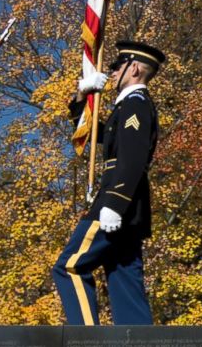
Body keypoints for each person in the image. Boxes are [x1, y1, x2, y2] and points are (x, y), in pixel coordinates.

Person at [52, 40, 165, 325]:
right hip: (129, 206)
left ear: (135, 68)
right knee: (125, 279)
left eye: (117, 66)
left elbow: (133, 157)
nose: (112, 72)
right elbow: (90, 136)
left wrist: (114, 202)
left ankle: (86, 341)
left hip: (118, 201)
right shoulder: (125, 107)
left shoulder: (136, 104)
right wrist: (82, 95)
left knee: (70, 267)